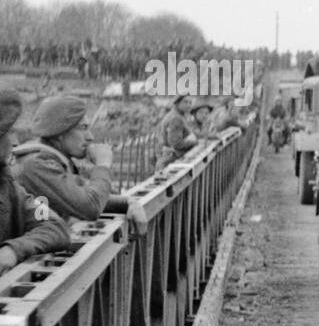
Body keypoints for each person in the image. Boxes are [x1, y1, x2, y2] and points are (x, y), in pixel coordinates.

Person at [13, 95, 147, 231]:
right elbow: (90, 206)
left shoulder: (53, 159)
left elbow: (84, 195)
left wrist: (127, 203)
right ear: (60, 132)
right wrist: (102, 165)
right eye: (83, 128)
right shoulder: (37, 165)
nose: (90, 137)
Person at [0, 91, 72, 277]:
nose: (15, 142)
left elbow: (54, 226)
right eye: (9, 133)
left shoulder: (7, 186)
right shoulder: (32, 166)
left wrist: (13, 250)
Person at [157, 96, 198, 165]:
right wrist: (193, 141)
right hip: (171, 161)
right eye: (185, 102)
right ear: (177, 103)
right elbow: (176, 143)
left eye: (190, 103)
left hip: (172, 160)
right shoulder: (176, 119)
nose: (188, 105)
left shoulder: (179, 116)